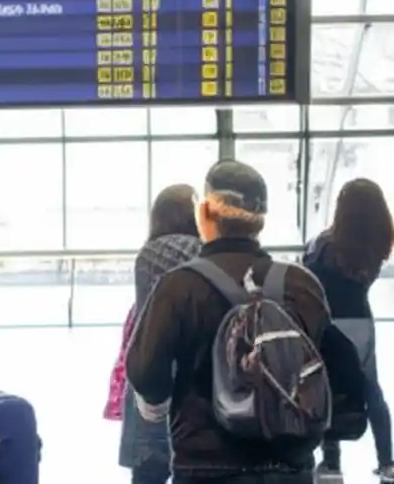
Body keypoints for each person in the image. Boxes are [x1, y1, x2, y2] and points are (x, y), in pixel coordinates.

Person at [126, 160, 330, 484]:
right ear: (260, 221)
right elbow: (325, 368)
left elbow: (146, 373)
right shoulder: (302, 285)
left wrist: (158, 404)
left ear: (206, 214)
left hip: (206, 464)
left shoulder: (178, 287)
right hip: (290, 466)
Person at [305, 178, 394, 482]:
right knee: (372, 390)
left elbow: (308, 273)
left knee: (328, 388)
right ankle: (387, 461)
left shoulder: (325, 245)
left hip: (329, 322)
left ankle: (331, 463)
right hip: (362, 323)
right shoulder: (377, 245)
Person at [120, 184, 204, 484]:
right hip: (197, 369)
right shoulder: (204, 251)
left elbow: (146, 315)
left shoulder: (147, 255)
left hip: (153, 362)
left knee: (148, 466)